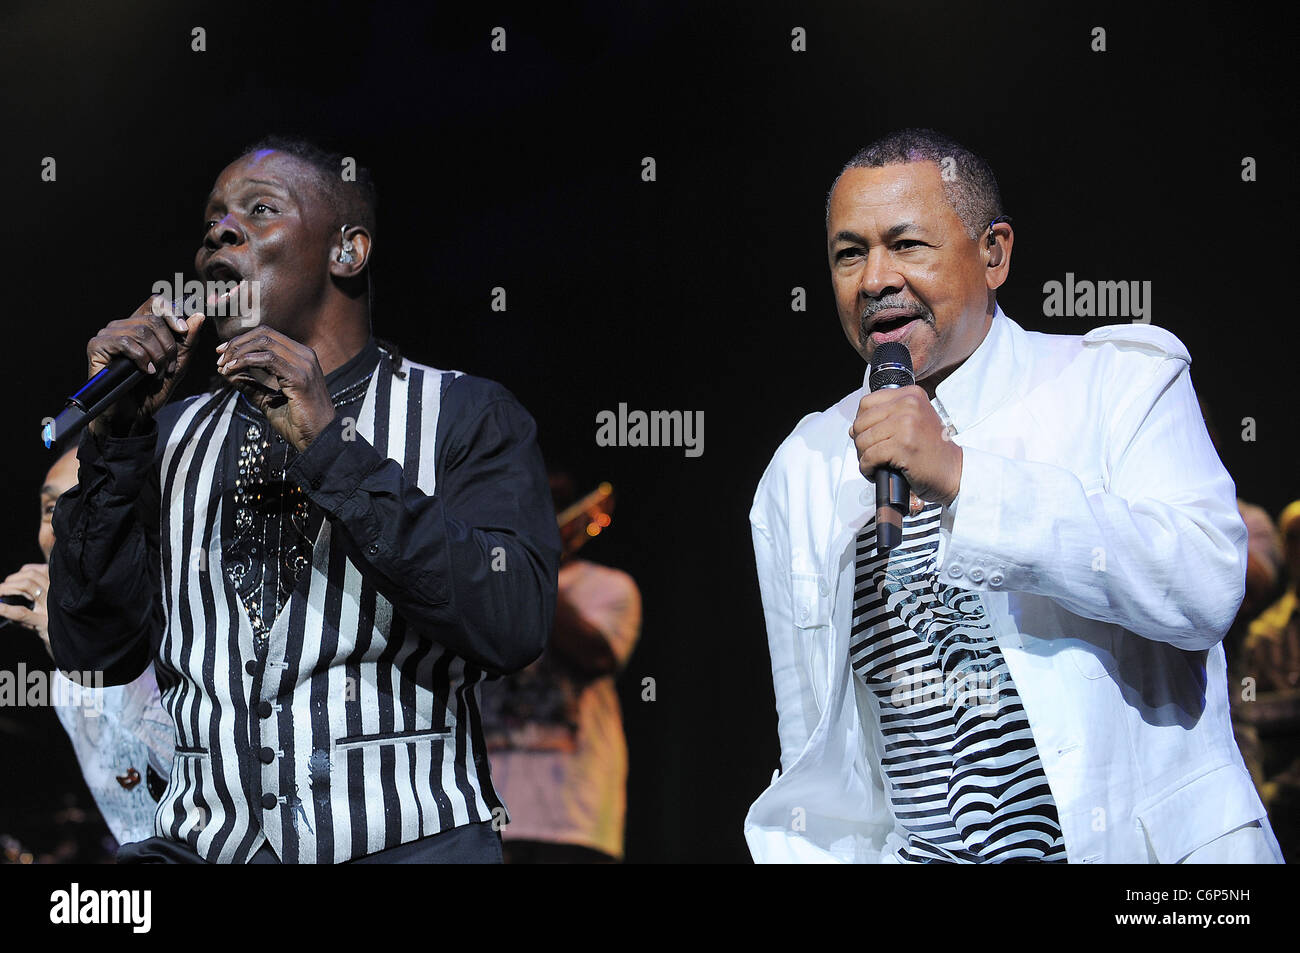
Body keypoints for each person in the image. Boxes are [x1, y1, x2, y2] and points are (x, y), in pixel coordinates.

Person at [745, 128, 1283, 864]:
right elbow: (816, 758)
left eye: (907, 245)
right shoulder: (801, 468)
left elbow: (1205, 586)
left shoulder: (1119, 382)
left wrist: (963, 475)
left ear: (993, 253)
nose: (874, 279)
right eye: (849, 253)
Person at [46, 136, 560, 864]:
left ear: (348, 252)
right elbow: (92, 652)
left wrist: (332, 452)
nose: (221, 231)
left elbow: (514, 621)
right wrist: (115, 440)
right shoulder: (167, 434)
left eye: (260, 210)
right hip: (210, 847)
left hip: (406, 844)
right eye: (214, 221)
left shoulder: (463, 412)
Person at [1, 448, 174, 849]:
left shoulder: (194, 624)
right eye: (49, 508)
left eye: (85, 499)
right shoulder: (63, 678)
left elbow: (215, 779)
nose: (61, 522)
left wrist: (81, 648)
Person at [480, 473, 641, 863]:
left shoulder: (610, 587)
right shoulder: (483, 585)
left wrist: (534, 572)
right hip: (487, 817)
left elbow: (596, 657)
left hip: (576, 820)